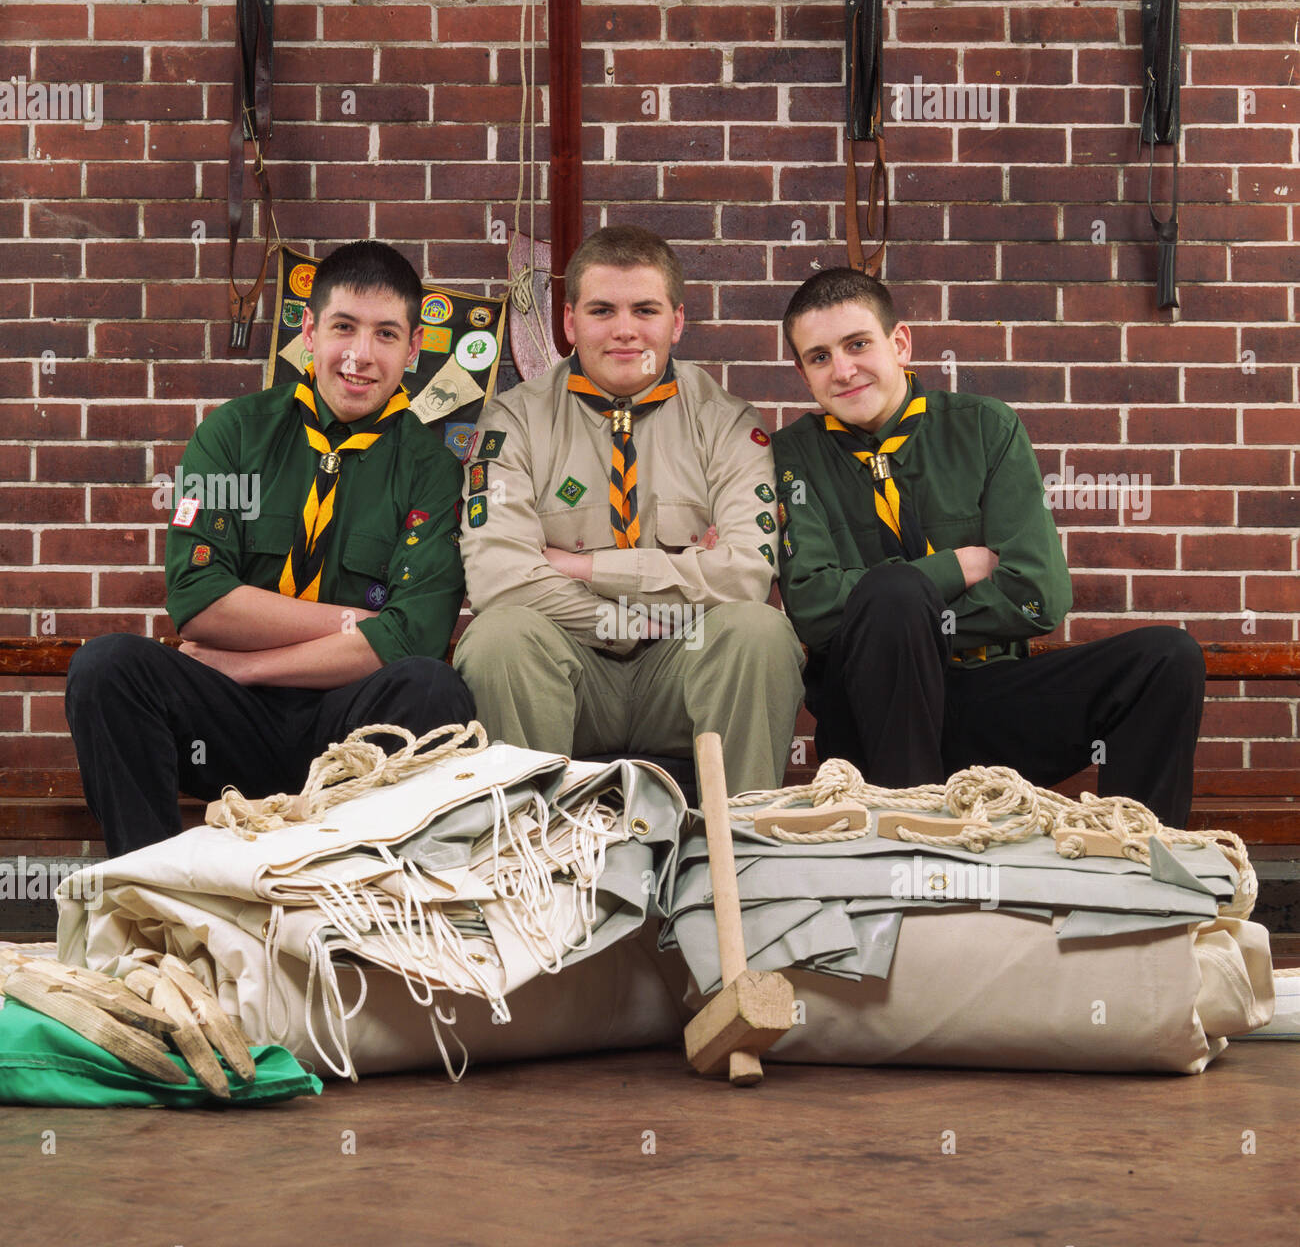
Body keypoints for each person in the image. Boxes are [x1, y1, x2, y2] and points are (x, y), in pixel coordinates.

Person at [65, 240, 473, 857]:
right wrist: (357, 624)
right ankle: (149, 890)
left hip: (349, 730)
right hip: (227, 721)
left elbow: (412, 639)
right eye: (343, 327)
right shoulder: (233, 435)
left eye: (386, 335)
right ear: (309, 330)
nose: (360, 356)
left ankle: (362, 900)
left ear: (413, 348)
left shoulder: (431, 470)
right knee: (107, 668)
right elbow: (200, 602)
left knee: (433, 689)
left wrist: (248, 662)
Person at [773, 267, 1204, 826]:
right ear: (803, 373)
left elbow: (1037, 594)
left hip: (986, 701)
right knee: (897, 592)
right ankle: (914, 842)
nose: (843, 369)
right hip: (870, 724)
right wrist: (954, 567)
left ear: (899, 343)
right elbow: (811, 608)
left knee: (1167, 658)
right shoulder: (790, 456)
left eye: (858, 344)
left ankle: (1136, 866)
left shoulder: (984, 427)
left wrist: (915, 621)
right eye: (819, 356)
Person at [453, 225, 803, 793]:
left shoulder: (728, 423)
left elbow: (744, 577)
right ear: (569, 324)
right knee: (498, 637)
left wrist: (586, 568)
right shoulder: (513, 421)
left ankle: (742, 849)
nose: (624, 330)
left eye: (645, 309)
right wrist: (645, 611)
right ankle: (528, 857)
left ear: (677, 321)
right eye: (601, 310)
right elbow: (502, 580)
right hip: (569, 667)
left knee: (757, 631)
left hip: (684, 666)